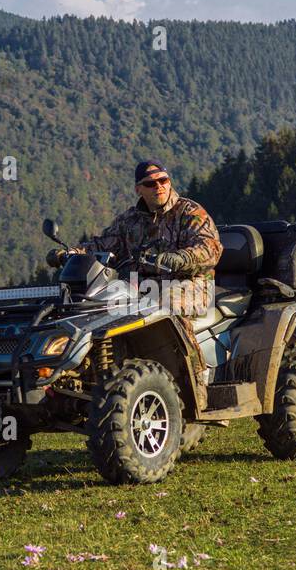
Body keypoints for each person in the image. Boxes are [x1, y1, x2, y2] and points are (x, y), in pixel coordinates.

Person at [48, 160, 222, 400]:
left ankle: (197, 383)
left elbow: (210, 249)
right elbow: (102, 245)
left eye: (163, 180)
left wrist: (177, 259)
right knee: (98, 305)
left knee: (166, 305)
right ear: (139, 189)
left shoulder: (189, 212)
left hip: (190, 285)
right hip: (139, 288)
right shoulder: (130, 220)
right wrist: (70, 254)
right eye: (151, 183)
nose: (159, 187)